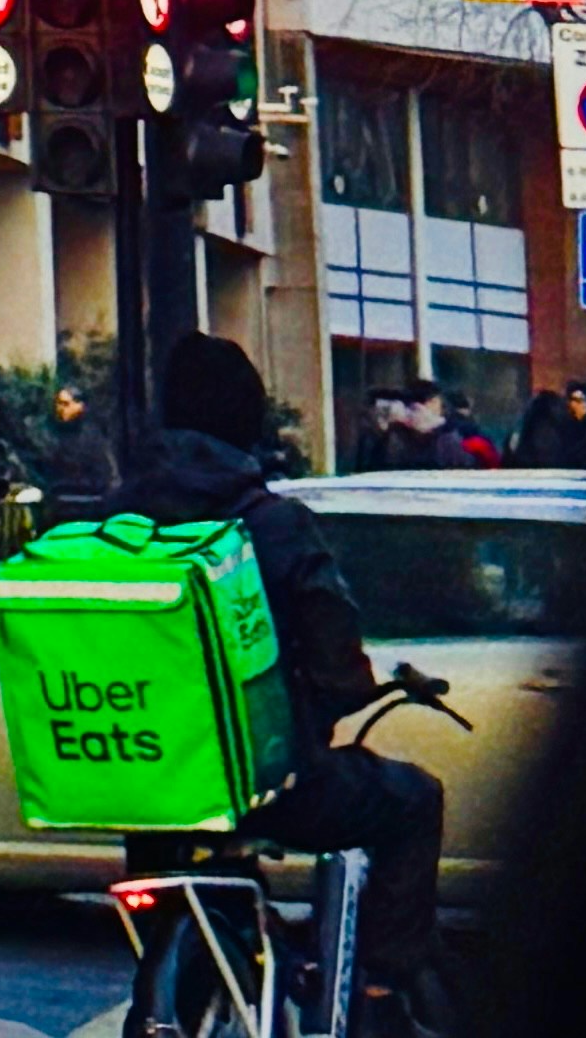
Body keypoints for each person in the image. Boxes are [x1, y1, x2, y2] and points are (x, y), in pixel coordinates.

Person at [119, 332, 449, 1036]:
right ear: (248, 422)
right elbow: (338, 668)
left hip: (140, 781)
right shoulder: (275, 526)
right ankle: (380, 999)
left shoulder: (101, 526)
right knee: (413, 800)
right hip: (262, 786)